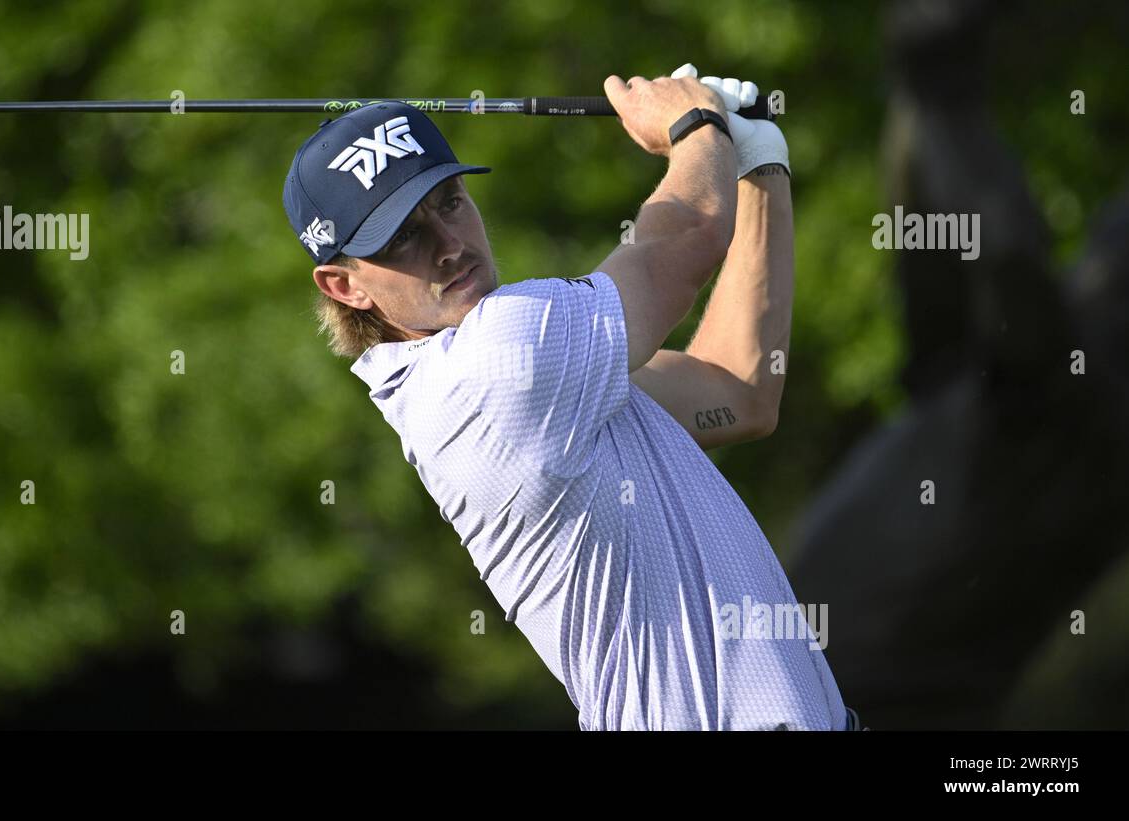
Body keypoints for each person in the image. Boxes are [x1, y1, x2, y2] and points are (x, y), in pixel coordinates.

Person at [283, 66, 855, 730]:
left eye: (448, 202)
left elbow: (738, 386)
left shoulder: (550, 381)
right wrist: (696, 123)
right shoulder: (498, 364)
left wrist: (757, 162)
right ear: (345, 285)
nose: (449, 245)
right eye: (403, 236)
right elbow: (688, 237)